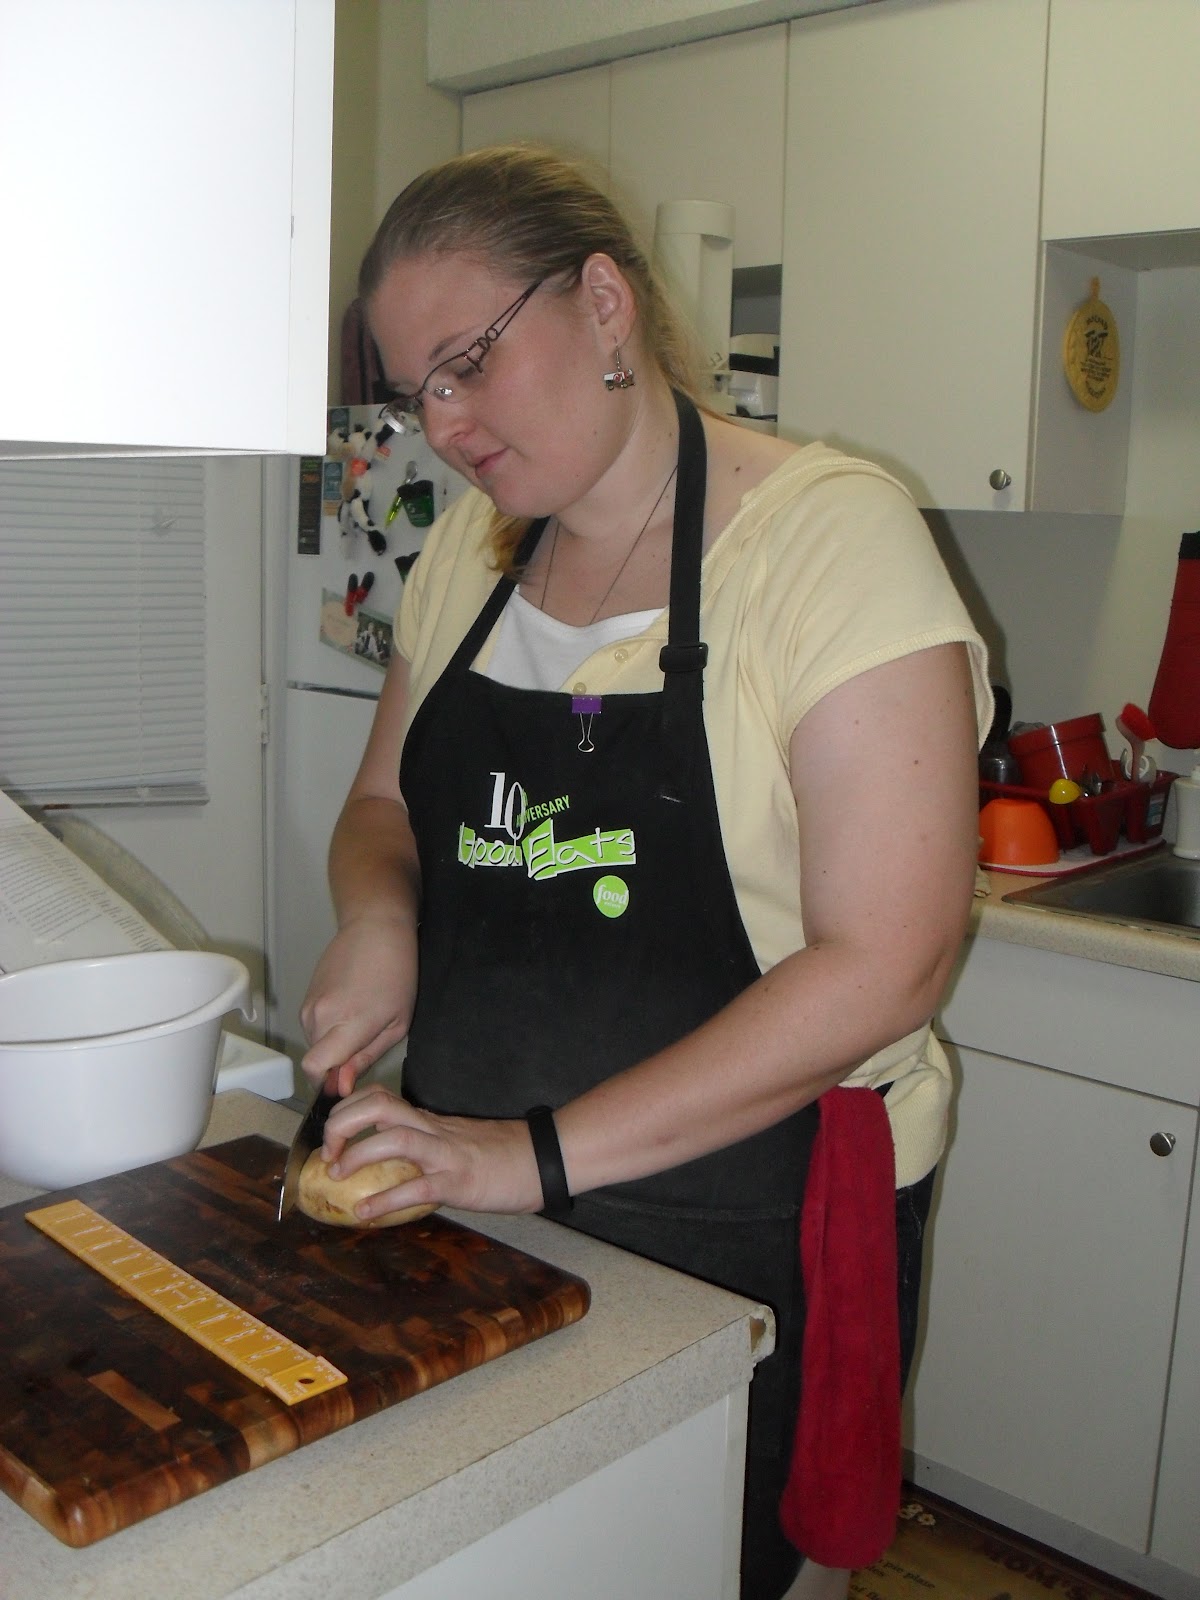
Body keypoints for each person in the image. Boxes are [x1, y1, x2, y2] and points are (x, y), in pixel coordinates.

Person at [300, 145, 990, 1600]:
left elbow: (890, 963)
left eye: (470, 362)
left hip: (745, 1209)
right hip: (479, 1190)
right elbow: (383, 808)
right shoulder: (467, 562)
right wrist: (381, 920)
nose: (444, 422)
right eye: (415, 388)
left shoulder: (827, 541)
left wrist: (533, 1155)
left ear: (604, 303)